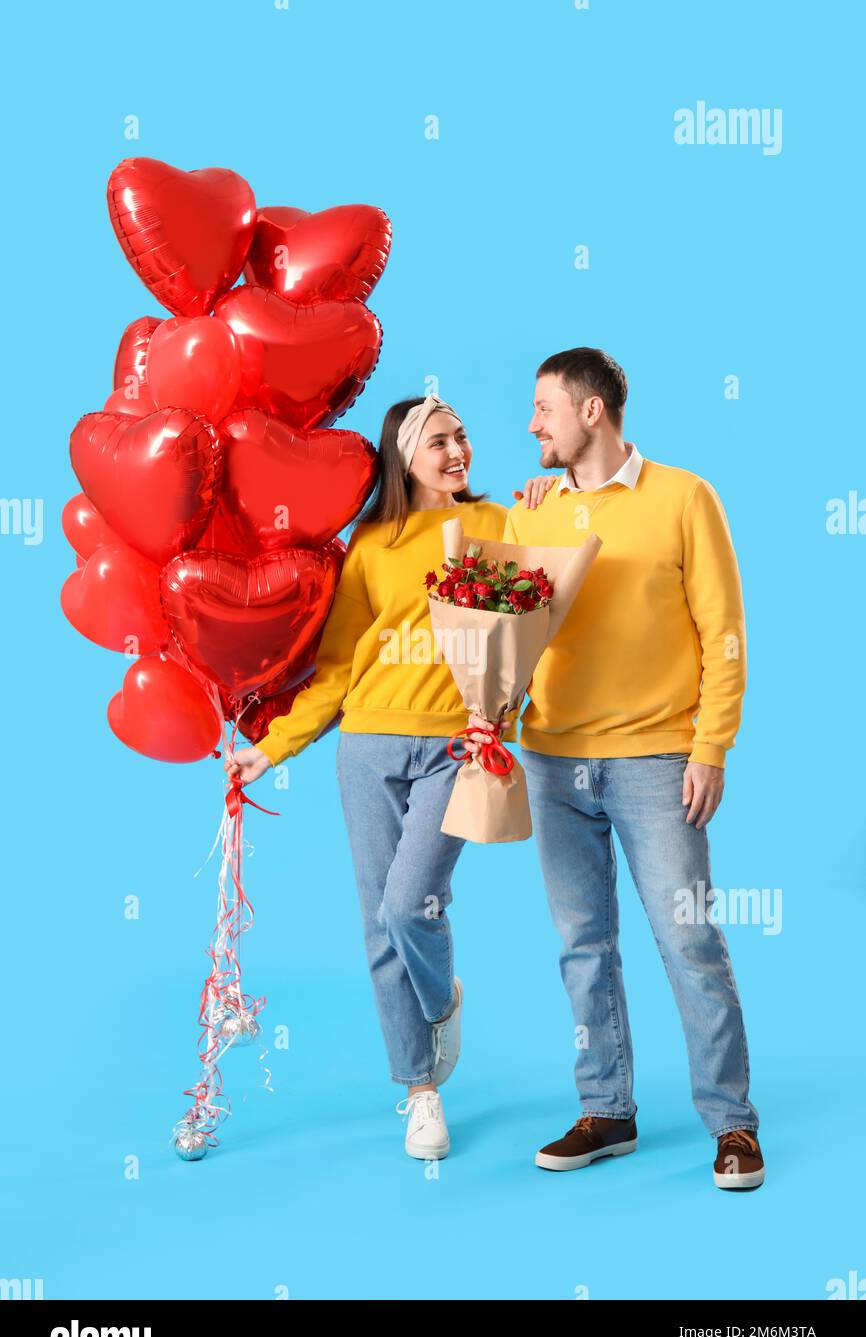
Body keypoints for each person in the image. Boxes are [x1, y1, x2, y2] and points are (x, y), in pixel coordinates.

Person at [467, 348, 764, 1190]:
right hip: (554, 760)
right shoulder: (529, 516)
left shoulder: (684, 497)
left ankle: (733, 1124)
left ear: (591, 412)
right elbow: (503, 639)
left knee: (689, 940)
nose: (531, 425)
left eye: (543, 409)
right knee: (582, 945)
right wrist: (489, 714)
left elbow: (725, 633)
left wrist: (711, 747)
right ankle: (608, 1110)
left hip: (657, 761)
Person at [226, 395, 508, 1162]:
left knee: (409, 906)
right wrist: (273, 747)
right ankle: (421, 1092)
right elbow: (339, 667)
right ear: (405, 456)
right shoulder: (371, 546)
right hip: (368, 750)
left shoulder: (499, 526)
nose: (459, 450)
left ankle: (441, 995)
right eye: (440, 441)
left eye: (463, 435)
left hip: (452, 747)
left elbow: (533, 621)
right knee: (377, 922)